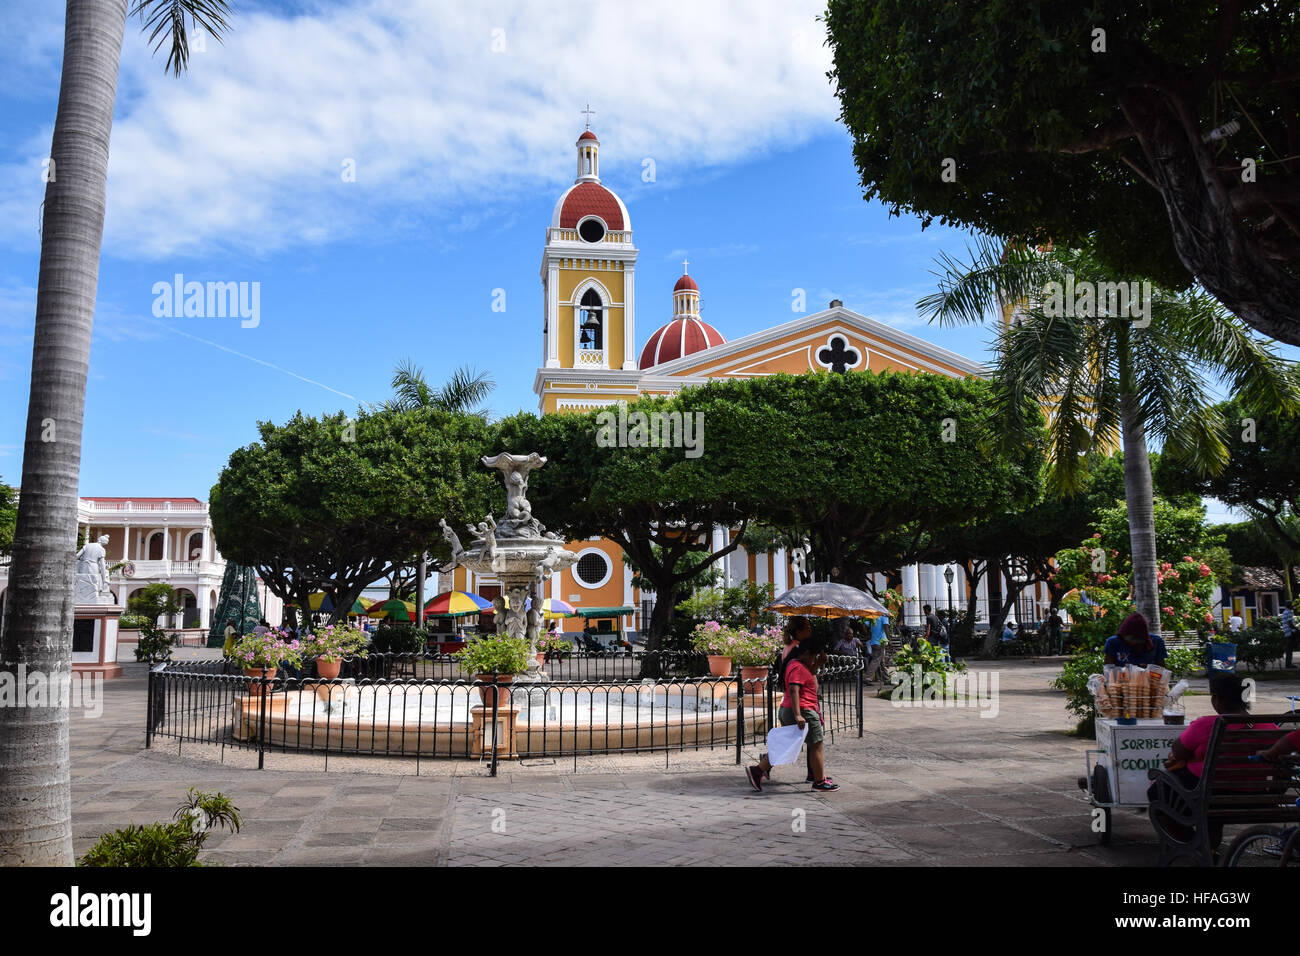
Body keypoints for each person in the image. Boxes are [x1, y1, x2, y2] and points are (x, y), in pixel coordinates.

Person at [1149, 674, 1278, 851]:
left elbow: (1177, 752)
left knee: (1158, 793)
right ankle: (1207, 848)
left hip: (1206, 798)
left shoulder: (1206, 724)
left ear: (1216, 699)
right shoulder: (1270, 728)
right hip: (1253, 798)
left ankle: (1195, 846)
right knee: (1206, 793)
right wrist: (1273, 794)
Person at [747, 633, 838, 792]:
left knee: (787, 745)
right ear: (807, 653)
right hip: (803, 710)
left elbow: (808, 673)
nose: (814, 659)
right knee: (816, 744)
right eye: (814, 656)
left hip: (799, 709)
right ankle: (819, 781)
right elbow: (794, 690)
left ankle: (758, 770)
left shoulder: (797, 663)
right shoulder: (797, 666)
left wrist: (818, 662)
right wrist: (798, 715)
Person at [864, 613, 887, 684]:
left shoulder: (873, 618)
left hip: (873, 642)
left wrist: (867, 633)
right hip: (880, 642)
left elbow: (864, 624)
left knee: (881, 661)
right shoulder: (884, 617)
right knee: (876, 660)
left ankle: (886, 678)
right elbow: (886, 628)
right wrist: (890, 639)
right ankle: (867, 677)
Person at [1282, 603, 1296, 669]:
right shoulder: (1289, 612)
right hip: (1290, 632)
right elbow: (1289, 622)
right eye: (1292, 605)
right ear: (1289, 605)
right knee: (1289, 649)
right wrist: (1296, 629)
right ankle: (1289, 664)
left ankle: (1288, 664)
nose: (1293, 606)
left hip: (1286, 632)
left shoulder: (1285, 612)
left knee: (1288, 649)